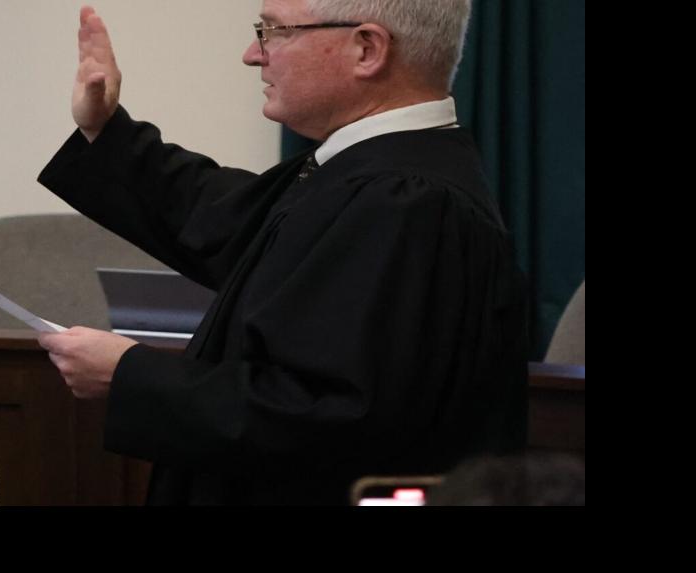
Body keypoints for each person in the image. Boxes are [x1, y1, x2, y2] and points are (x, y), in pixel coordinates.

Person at [37, 1, 530, 506]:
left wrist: (130, 374)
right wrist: (106, 130)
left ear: (367, 49)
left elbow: (324, 417)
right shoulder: (382, 171)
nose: (253, 54)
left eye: (274, 31)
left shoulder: (406, 200)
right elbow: (222, 217)